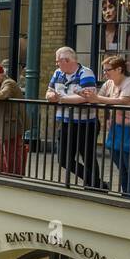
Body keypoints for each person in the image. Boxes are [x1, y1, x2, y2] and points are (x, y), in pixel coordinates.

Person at [86, 54, 130, 198]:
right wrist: (85, 95)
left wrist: (96, 98)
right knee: (122, 167)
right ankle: (126, 195)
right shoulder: (109, 84)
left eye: (107, 70)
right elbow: (100, 99)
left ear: (119, 69)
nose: (105, 73)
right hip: (117, 129)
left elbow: (122, 100)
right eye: (104, 70)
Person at [46, 46, 107, 189]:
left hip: (86, 123)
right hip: (65, 122)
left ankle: (93, 186)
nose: (56, 64)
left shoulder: (85, 73)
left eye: (57, 61)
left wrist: (60, 99)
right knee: (63, 159)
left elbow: (86, 98)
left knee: (87, 156)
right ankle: (97, 184)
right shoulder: (58, 73)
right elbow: (48, 92)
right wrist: (52, 96)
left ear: (66, 60)